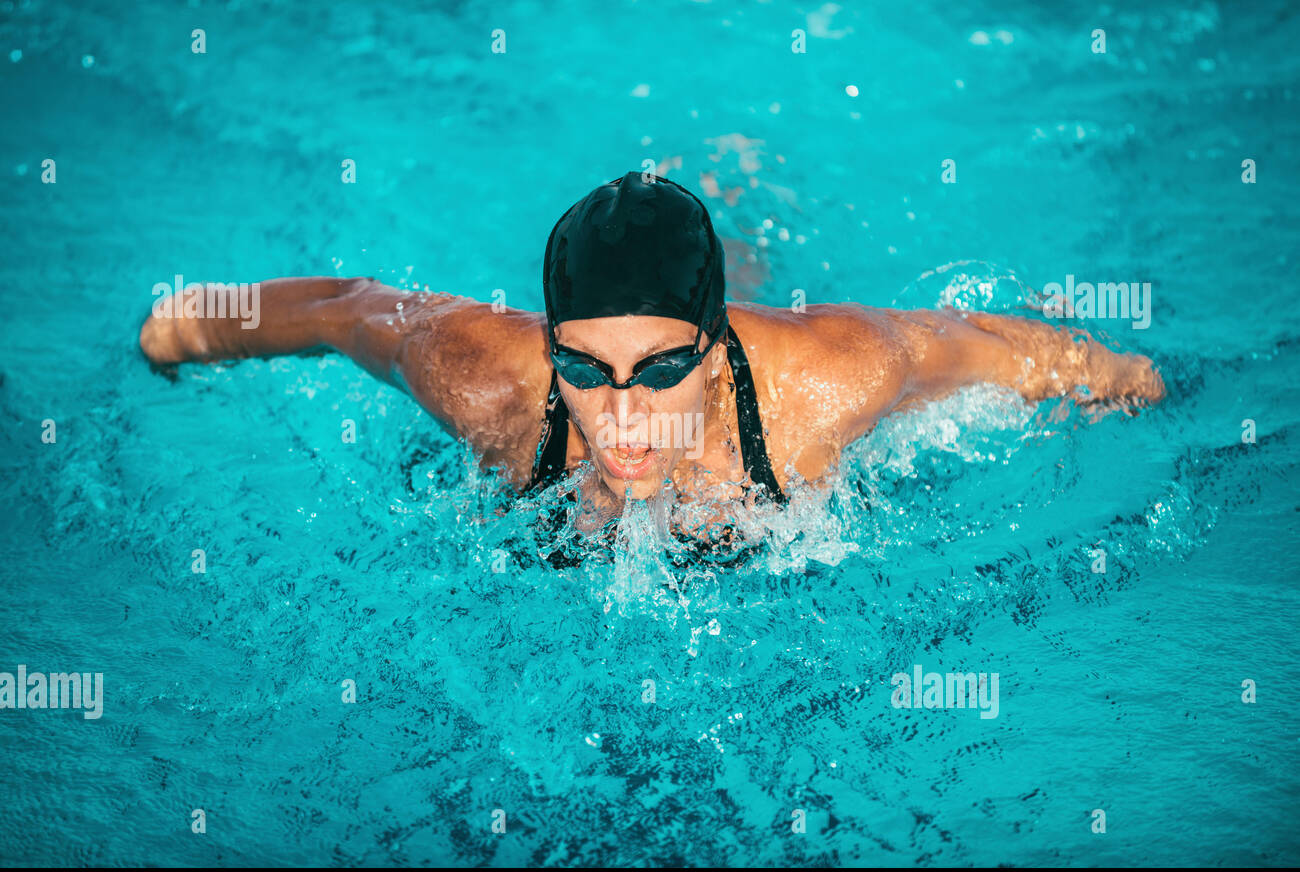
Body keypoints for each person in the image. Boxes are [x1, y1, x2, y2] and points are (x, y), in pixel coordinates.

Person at [139, 171, 1165, 530]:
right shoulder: (491, 377)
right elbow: (341, 307)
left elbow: (993, 348)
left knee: (749, 268)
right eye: (585, 370)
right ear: (552, 349)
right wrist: (183, 325)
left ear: (711, 354)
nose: (620, 415)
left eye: (661, 369)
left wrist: (1127, 382)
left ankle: (739, 199)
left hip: (761, 339)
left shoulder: (829, 377)